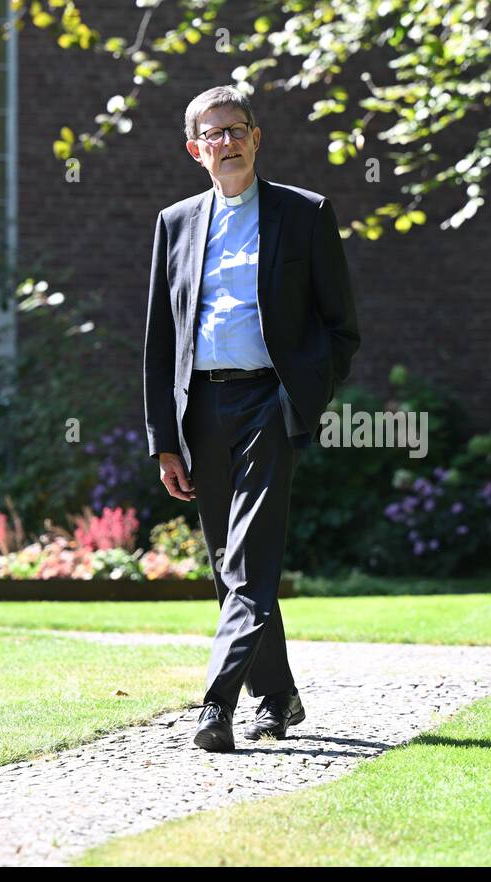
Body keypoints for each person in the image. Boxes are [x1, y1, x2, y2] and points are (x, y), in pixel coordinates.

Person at [142, 85, 360, 752]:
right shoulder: (175, 223)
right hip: (201, 408)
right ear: (194, 150)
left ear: (256, 138)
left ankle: (217, 705)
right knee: (226, 563)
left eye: (236, 130)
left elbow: (340, 328)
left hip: (269, 401)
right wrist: (164, 441)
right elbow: (159, 340)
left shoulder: (304, 214)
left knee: (250, 555)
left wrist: (302, 398)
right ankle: (279, 695)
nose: (226, 142)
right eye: (212, 134)